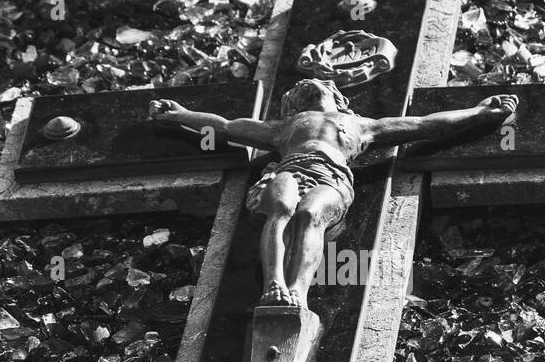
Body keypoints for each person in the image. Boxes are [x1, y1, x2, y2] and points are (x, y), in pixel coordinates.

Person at [150, 78, 518, 310]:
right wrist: (181, 115)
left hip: (331, 176)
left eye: (319, 84)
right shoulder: (284, 126)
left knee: (309, 215)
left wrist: (479, 111)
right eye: (303, 87)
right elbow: (227, 126)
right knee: (281, 206)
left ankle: (298, 292)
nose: (311, 84)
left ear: (337, 97)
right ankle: (274, 284)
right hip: (290, 168)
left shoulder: (361, 125)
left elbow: (426, 125)